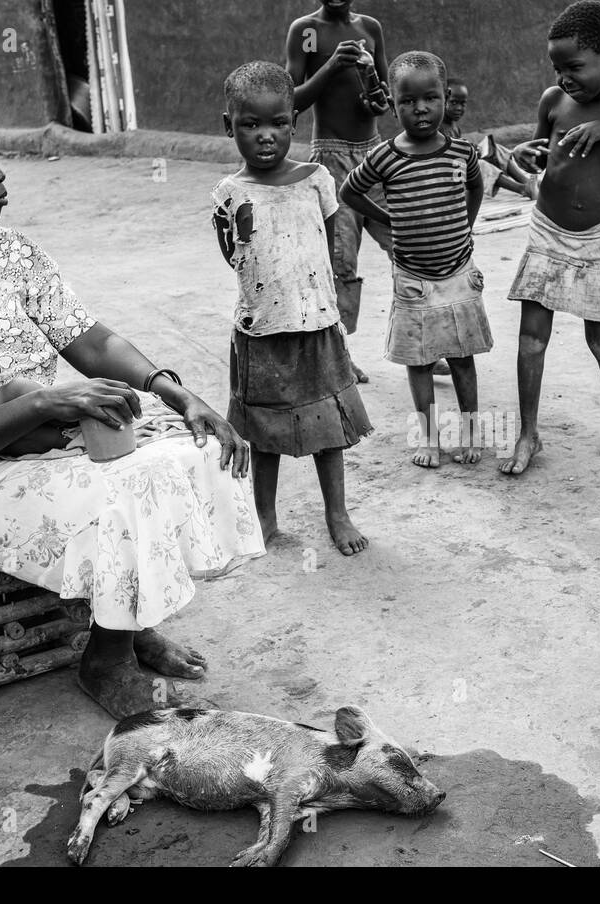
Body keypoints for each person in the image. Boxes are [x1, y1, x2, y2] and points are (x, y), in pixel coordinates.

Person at [0, 78, 267, 719]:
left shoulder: (8, 252)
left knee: (189, 447)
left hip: (44, 445)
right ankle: (107, 658)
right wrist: (41, 407)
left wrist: (178, 393)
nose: (1, 175)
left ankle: (128, 613)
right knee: (129, 485)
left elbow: (89, 339)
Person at [214, 61, 372, 554]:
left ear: (294, 123)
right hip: (263, 331)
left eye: (278, 123)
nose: (266, 136)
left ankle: (337, 514)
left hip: (318, 327)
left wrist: (326, 304)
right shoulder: (228, 194)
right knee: (264, 436)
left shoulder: (317, 179)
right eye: (250, 125)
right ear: (229, 127)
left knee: (328, 431)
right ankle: (265, 518)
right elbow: (237, 260)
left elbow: (328, 246)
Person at [501, 0, 600, 475]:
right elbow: (541, 159)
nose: (565, 77)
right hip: (546, 231)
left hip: (592, 242)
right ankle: (528, 433)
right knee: (530, 339)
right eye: (557, 67)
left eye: (574, 66)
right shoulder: (553, 101)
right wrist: (523, 158)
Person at [341, 51, 492, 468]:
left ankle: (471, 432)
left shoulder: (461, 152)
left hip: (459, 273)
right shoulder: (386, 157)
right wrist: (388, 216)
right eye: (408, 101)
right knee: (420, 360)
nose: (420, 108)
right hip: (413, 278)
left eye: (429, 98)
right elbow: (350, 193)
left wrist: (467, 225)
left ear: (444, 97)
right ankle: (427, 438)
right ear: (393, 102)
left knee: (463, 357)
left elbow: (476, 189)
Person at [285, 0, 393, 383]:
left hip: (376, 154)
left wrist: (377, 99)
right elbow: (291, 100)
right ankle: (340, 355)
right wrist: (332, 65)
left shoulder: (370, 27)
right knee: (340, 261)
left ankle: (420, 341)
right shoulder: (306, 31)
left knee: (406, 244)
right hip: (331, 157)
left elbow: (384, 96)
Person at [442, 77, 538, 201]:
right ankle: (522, 189)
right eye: (454, 103)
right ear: (442, 100)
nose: (459, 108)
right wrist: (469, 154)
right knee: (479, 165)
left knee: (495, 149)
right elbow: (448, 157)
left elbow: (458, 145)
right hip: (452, 179)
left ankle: (527, 182)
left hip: (460, 165)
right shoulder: (438, 127)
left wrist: (473, 148)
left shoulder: (453, 125)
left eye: (463, 103)